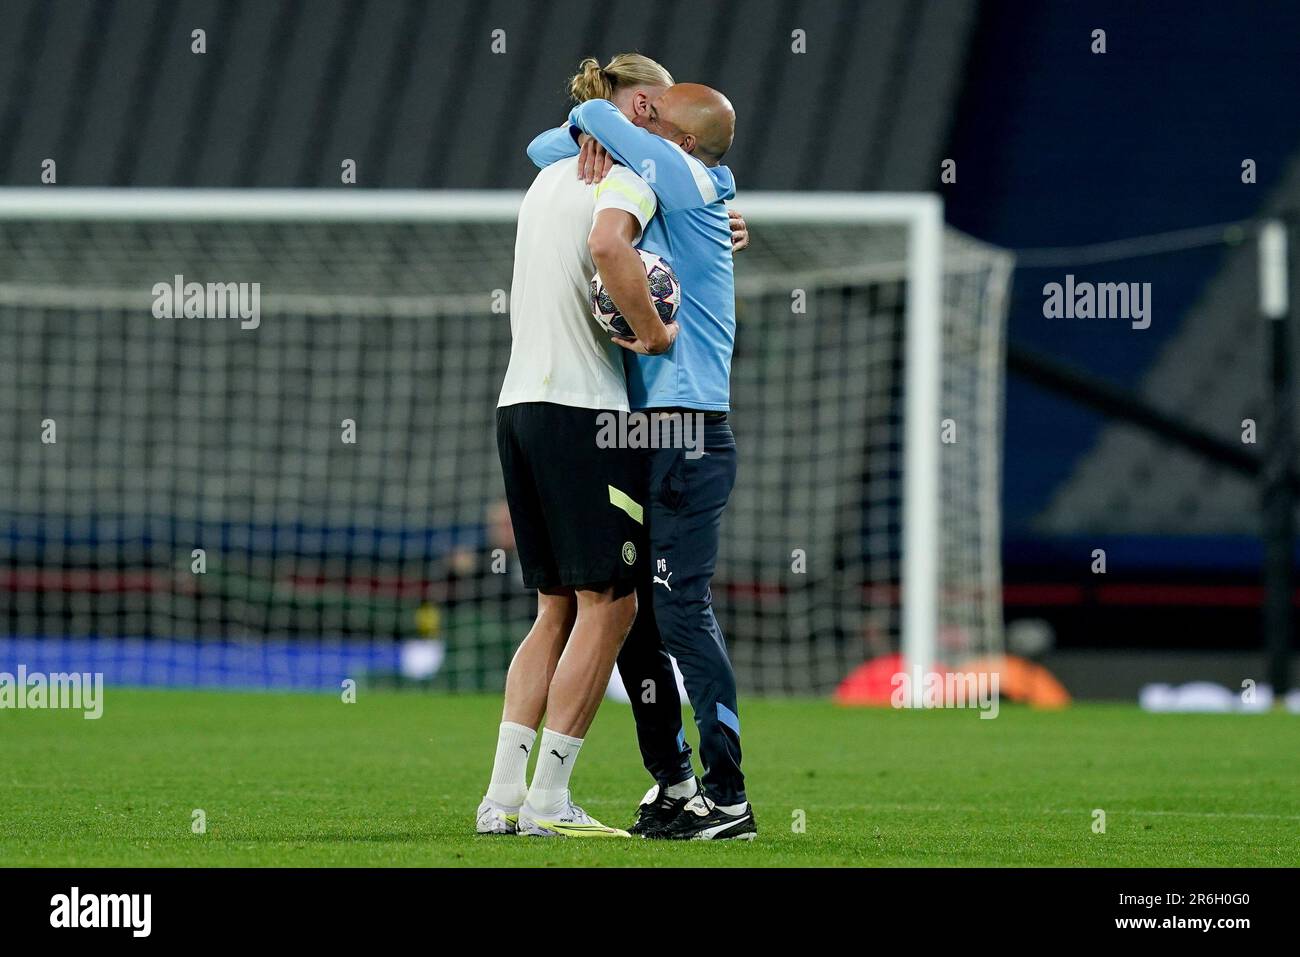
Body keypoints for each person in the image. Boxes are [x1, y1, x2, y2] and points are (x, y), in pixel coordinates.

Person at [526, 80, 755, 840]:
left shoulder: (685, 180)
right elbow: (545, 150)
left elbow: (589, 120)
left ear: (679, 144)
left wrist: (600, 115)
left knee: (680, 609)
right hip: (637, 429)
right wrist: (597, 128)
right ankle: (675, 785)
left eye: (655, 113)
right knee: (631, 612)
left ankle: (730, 801)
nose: (640, 115)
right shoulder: (663, 183)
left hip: (688, 430)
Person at [474, 54, 674, 838]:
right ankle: (551, 800)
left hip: (519, 404)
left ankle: (502, 797)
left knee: (552, 608)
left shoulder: (546, 178)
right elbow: (609, 249)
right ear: (634, 109)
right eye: (656, 109)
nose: (666, 126)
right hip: (584, 412)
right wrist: (654, 332)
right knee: (612, 604)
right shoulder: (622, 181)